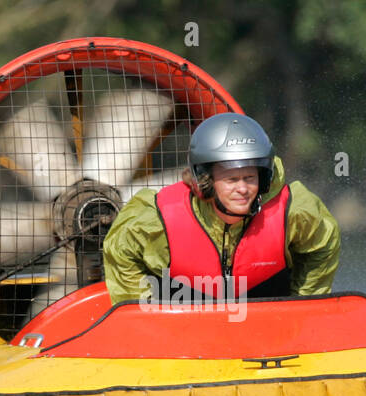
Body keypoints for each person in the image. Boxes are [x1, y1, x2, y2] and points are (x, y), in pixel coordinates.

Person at [102, 112, 340, 304]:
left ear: (264, 177)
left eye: (249, 177)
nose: (243, 189)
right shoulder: (154, 217)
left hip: (267, 318)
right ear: (206, 180)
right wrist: (146, 321)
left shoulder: (294, 209)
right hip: (181, 323)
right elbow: (121, 251)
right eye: (231, 179)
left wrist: (303, 305)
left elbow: (323, 244)